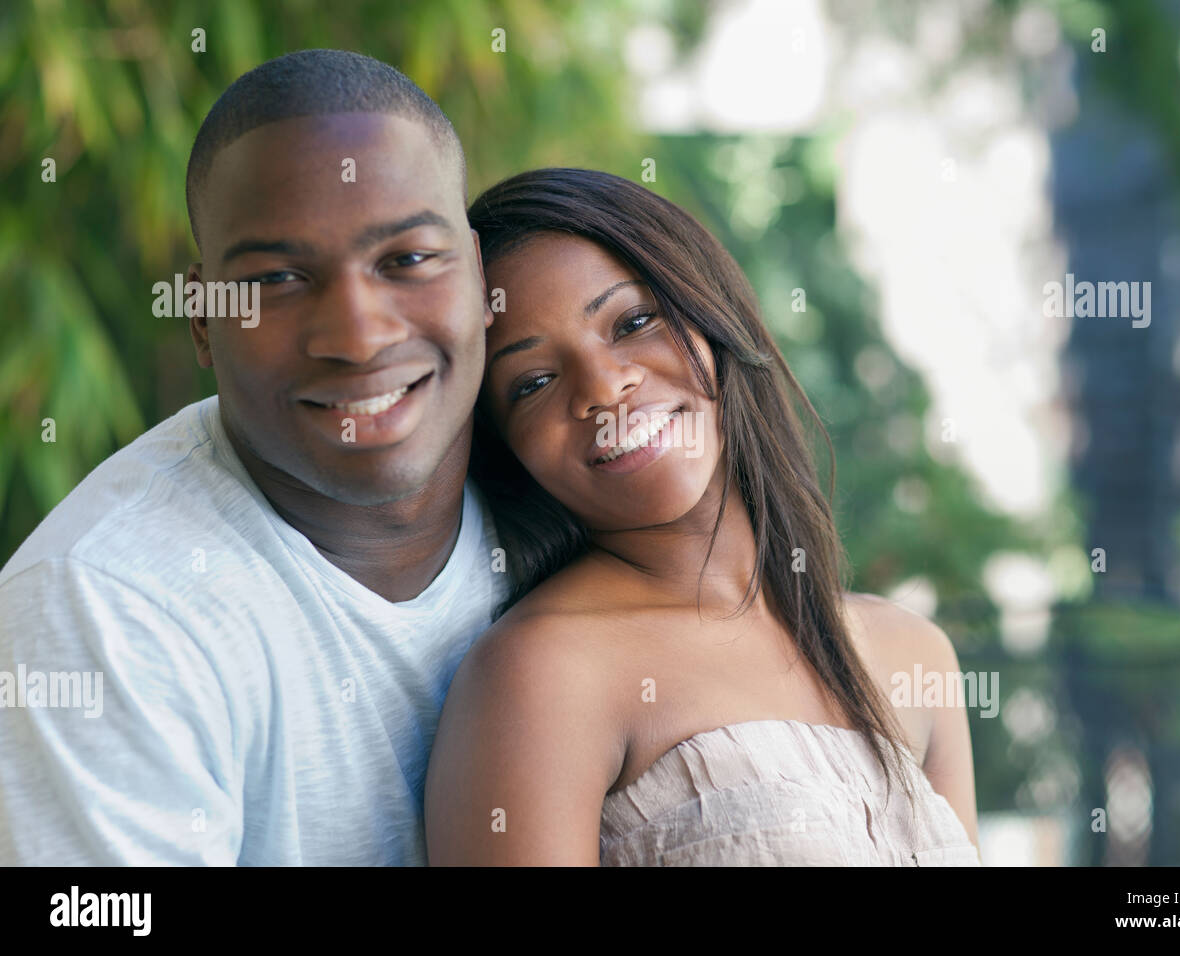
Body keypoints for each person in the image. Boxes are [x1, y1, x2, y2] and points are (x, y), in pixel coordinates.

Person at [0, 50, 507, 865]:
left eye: (407, 260)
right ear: (202, 320)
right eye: (277, 279)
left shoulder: (562, 471)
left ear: (480, 278)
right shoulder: (103, 605)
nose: (359, 337)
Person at [425, 168, 982, 866]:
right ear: (508, 450)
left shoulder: (913, 653)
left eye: (633, 322)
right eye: (534, 382)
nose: (605, 387)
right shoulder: (541, 673)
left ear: (710, 311)